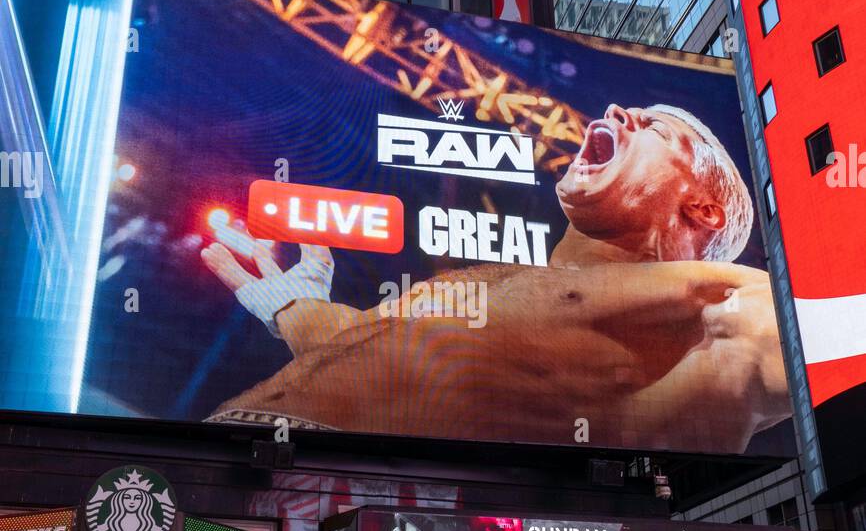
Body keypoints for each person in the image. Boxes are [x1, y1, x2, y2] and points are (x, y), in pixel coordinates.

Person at [203, 104, 790, 455]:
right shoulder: (485, 284)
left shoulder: (719, 304)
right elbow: (354, 338)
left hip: (350, 496)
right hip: (222, 449)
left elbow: (797, 342)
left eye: (659, 131)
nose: (618, 113)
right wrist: (291, 300)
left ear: (702, 210)